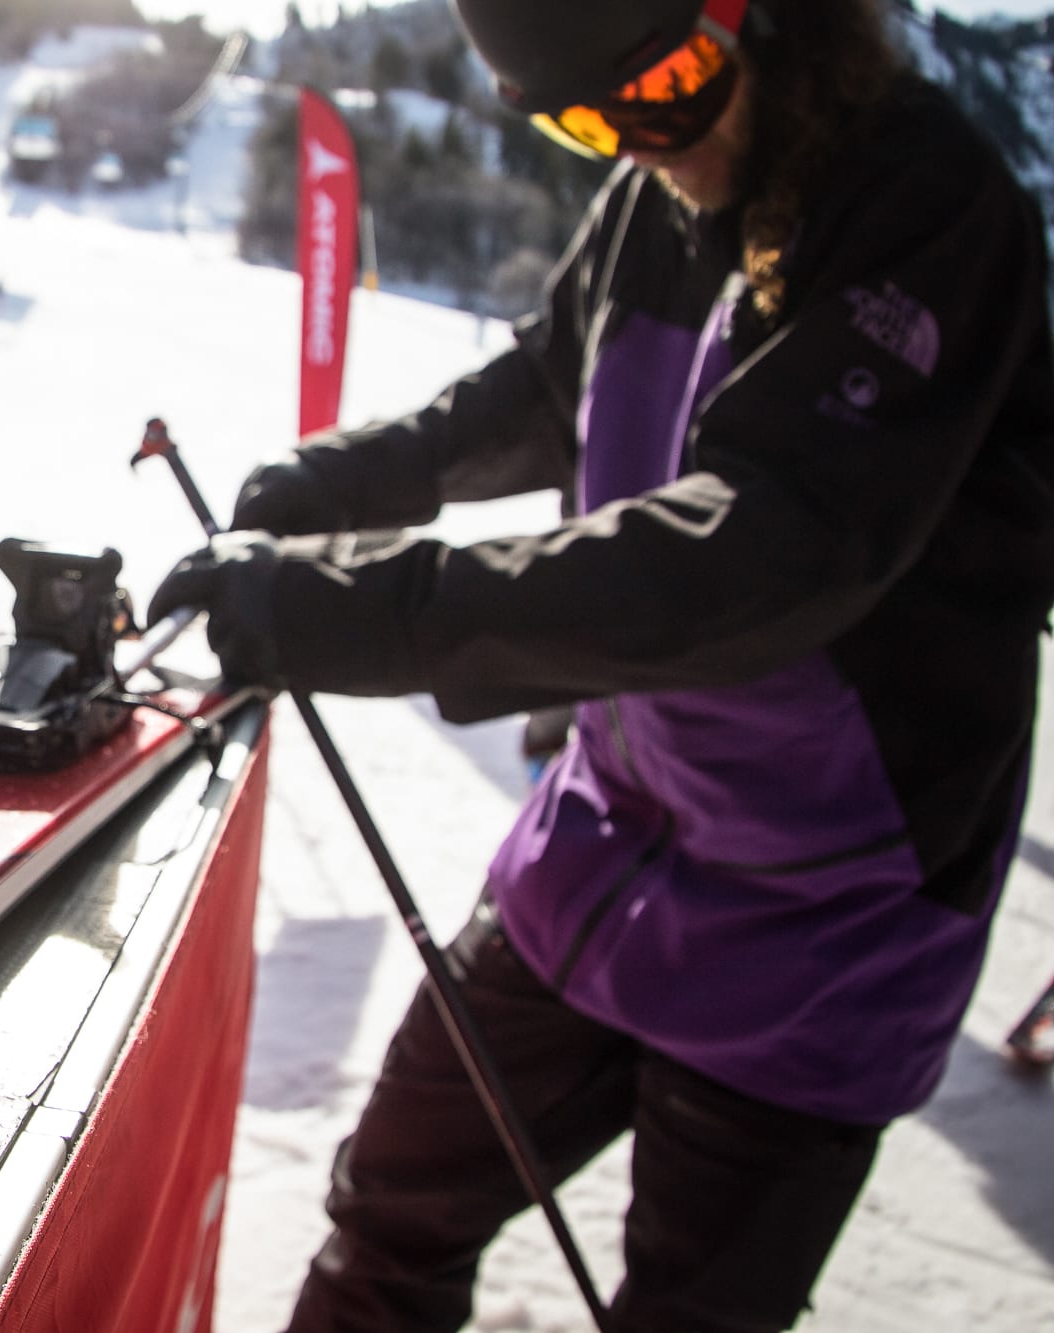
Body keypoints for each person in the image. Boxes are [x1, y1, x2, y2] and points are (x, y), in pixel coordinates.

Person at [149, 1, 1054, 1329]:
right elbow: (543, 377)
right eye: (587, 124)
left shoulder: (931, 211)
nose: (642, 142)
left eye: (670, 89)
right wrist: (349, 477)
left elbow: (762, 552)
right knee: (392, 1203)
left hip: (827, 911)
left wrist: (359, 610)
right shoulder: (655, 191)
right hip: (606, 841)